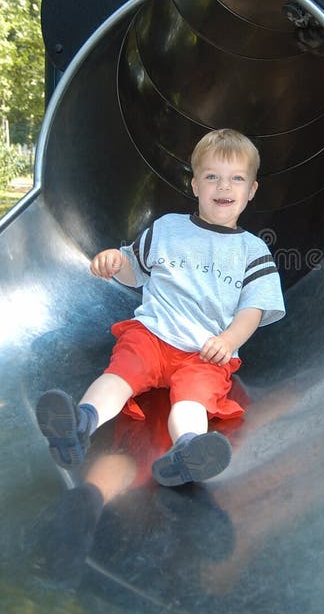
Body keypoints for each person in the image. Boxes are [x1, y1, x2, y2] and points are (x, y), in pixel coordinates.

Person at [36, 128, 285, 487]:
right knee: (119, 376)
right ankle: (79, 425)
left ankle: (188, 451)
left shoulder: (253, 251)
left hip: (205, 351)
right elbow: (134, 268)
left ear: (252, 190)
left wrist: (229, 339)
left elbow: (254, 309)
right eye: (212, 177)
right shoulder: (167, 229)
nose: (223, 187)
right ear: (195, 185)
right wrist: (113, 260)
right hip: (153, 335)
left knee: (192, 401)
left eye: (236, 179)